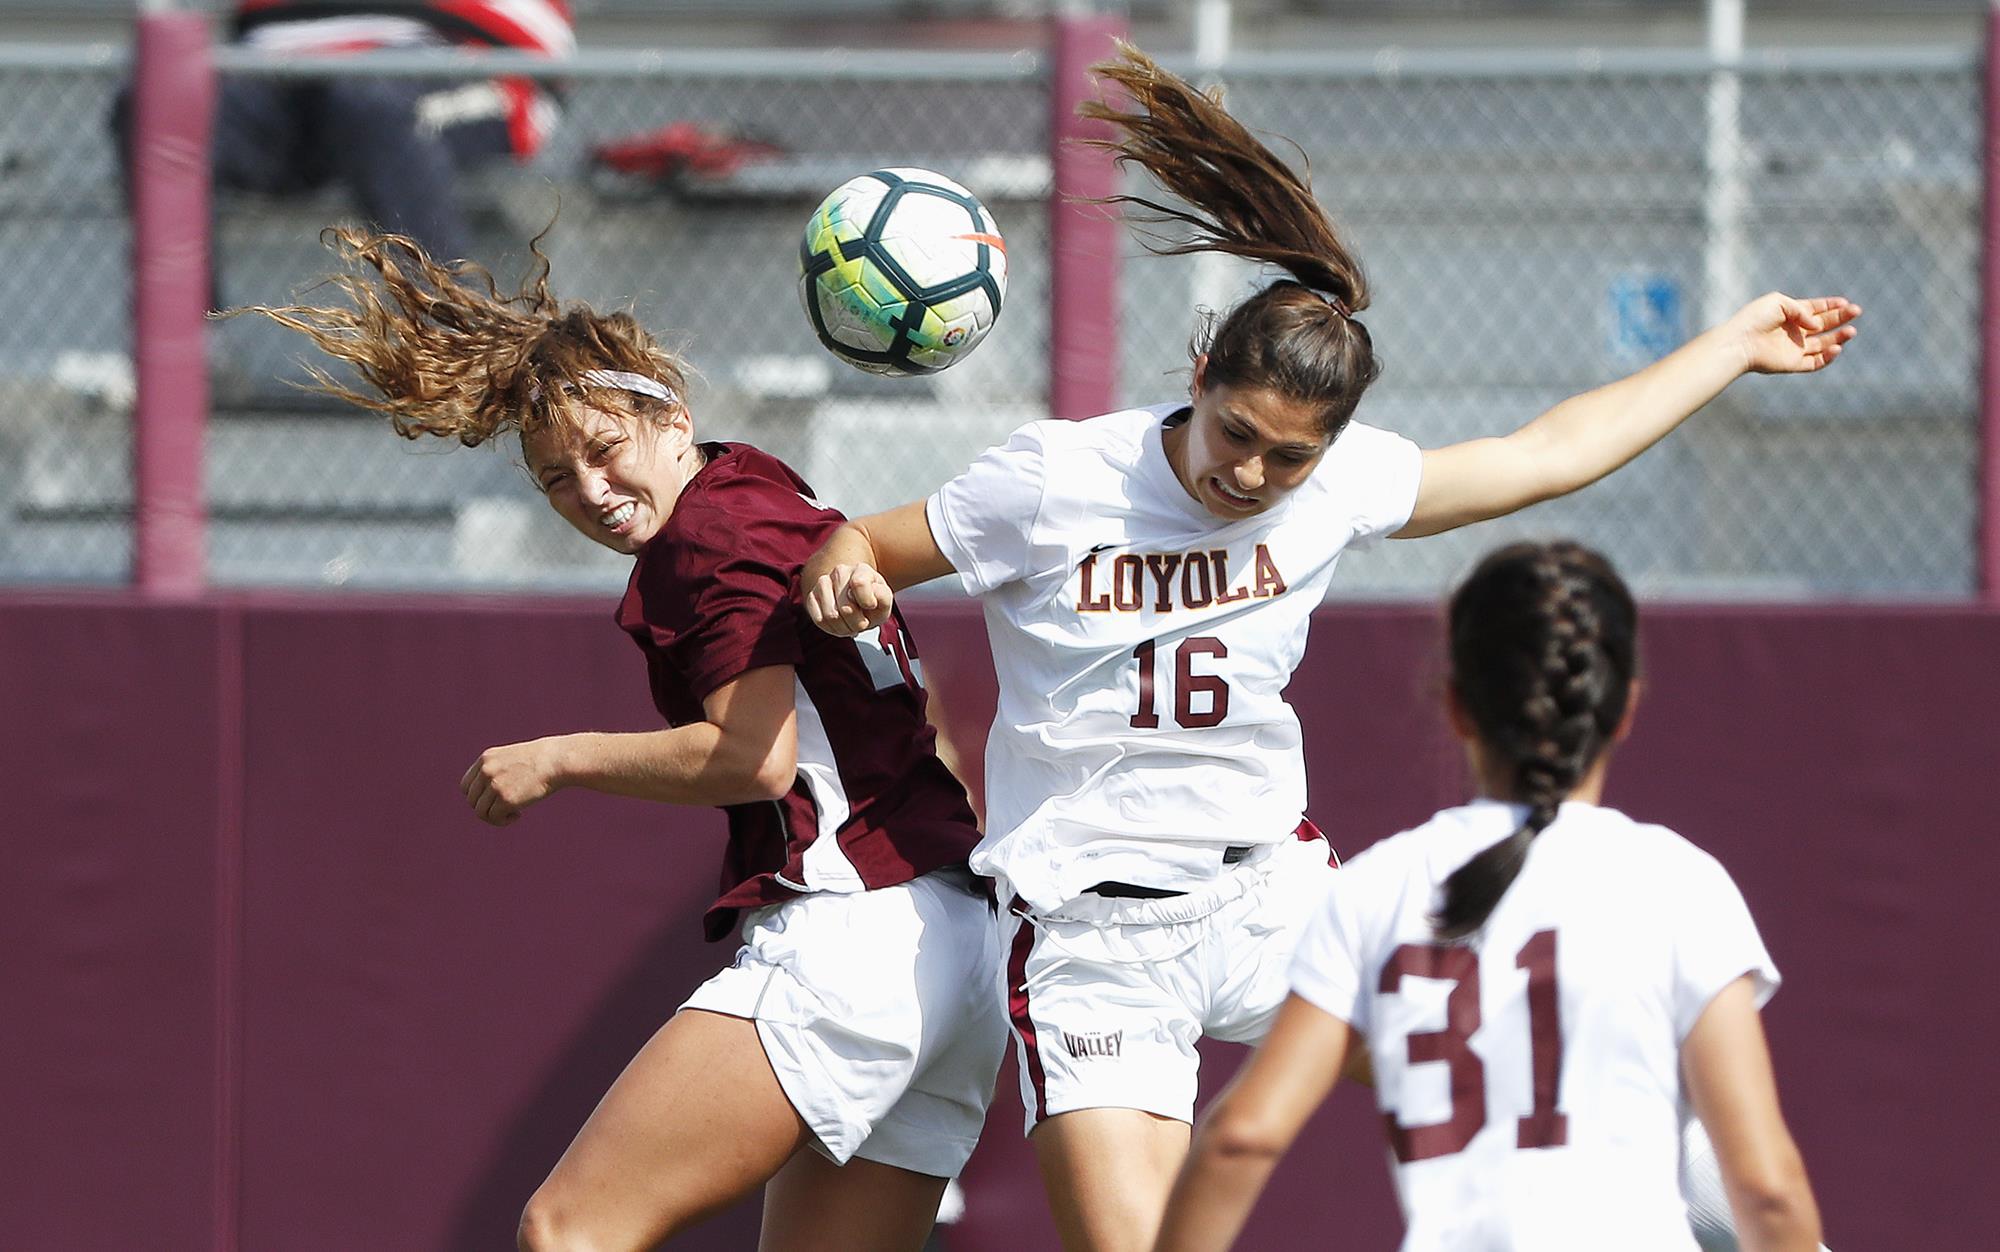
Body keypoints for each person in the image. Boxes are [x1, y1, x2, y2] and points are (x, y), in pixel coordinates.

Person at [799, 43, 1856, 1252]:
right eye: (1233, 431)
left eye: (1286, 457)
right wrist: (840, 559)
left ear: (1332, 445)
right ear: (1196, 369)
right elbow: (853, 545)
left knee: (1559, 1076)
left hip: (1269, 897)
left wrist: (1728, 347)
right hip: (1091, 939)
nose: (1247, 473)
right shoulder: (1049, 481)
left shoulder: (1335, 483)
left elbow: (1545, 453)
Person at [233, 226, 1007, 1252]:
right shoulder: (754, 486)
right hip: (957, 950)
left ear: (671, 416)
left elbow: (751, 757)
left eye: (603, 451)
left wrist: (557, 757)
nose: (589, 492)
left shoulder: (709, 536)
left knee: (570, 1227)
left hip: (854, 935)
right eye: (556, 477)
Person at [1150, 540, 1822, 1251]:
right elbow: (1766, 1190)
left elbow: (1242, 1139)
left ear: (1455, 706)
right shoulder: (1680, 885)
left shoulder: (1379, 889)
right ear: (1623, 709)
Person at [120, 1, 574, 278]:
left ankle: (454, 342)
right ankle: (189, 356)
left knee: (369, 100)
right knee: (157, 110)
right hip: (284, 67)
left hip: (453, 57)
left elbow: (539, 29)